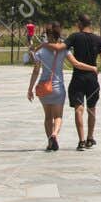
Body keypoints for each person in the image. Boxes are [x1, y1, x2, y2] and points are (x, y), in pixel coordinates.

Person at [65, 16, 101, 151]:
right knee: (92, 109)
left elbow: (63, 48)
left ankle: (81, 140)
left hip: (78, 77)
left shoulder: (74, 37)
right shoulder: (98, 39)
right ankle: (90, 138)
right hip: (92, 78)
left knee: (79, 109)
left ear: (80, 23)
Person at [27, 23, 70, 152]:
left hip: (44, 87)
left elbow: (35, 71)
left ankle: (49, 142)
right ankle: (55, 134)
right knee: (58, 116)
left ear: (47, 34)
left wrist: (30, 89)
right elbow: (74, 62)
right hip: (58, 87)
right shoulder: (63, 49)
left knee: (47, 117)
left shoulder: (41, 51)